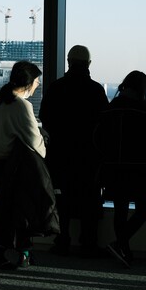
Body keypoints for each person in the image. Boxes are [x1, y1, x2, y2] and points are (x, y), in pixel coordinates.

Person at [0, 61, 55, 269]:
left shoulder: (1, 102)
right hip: (14, 166)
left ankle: (1, 252)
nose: (38, 85)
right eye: (37, 81)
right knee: (21, 209)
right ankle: (19, 252)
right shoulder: (22, 105)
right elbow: (36, 142)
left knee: (4, 208)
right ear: (29, 82)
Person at [38, 44, 109, 257]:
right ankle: (88, 243)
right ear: (88, 64)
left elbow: (46, 118)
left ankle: (62, 241)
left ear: (68, 62)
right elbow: (104, 123)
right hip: (89, 156)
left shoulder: (56, 88)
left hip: (60, 153)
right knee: (89, 199)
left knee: (62, 199)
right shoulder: (96, 90)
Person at [95, 70, 146, 268]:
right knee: (144, 207)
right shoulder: (142, 110)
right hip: (136, 167)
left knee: (120, 208)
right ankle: (121, 244)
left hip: (112, 166)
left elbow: (97, 138)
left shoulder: (110, 108)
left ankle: (123, 247)